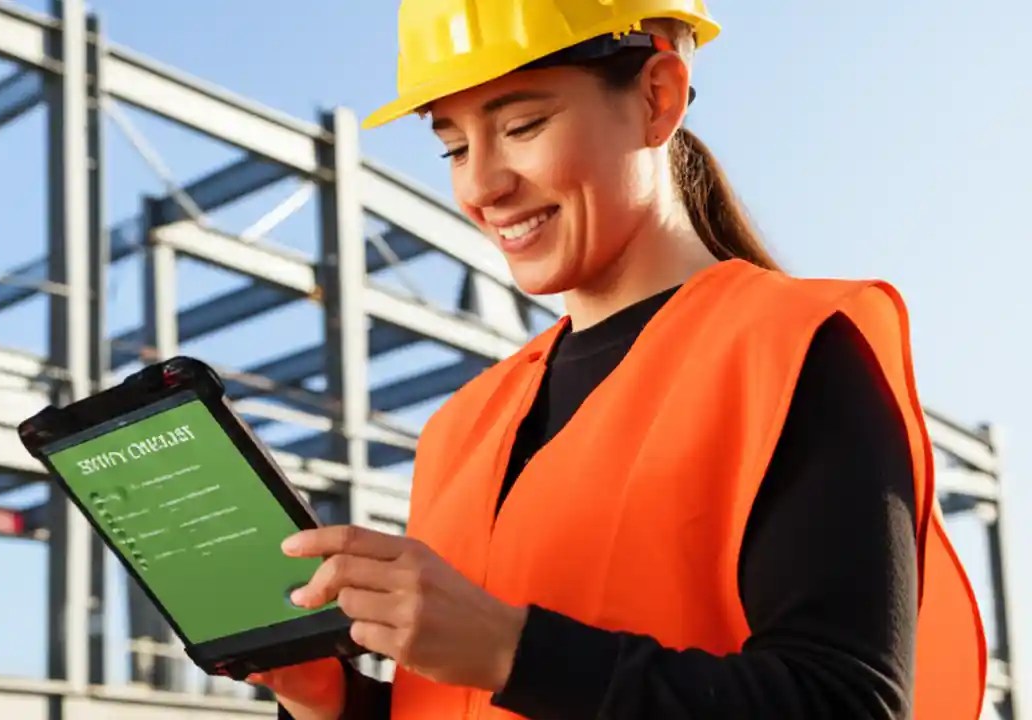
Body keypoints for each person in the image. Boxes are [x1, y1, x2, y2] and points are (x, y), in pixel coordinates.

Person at [240, 2, 988, 718]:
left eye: (524, 125)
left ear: (658, 98)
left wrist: (510, 649)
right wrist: (334, 703)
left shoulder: (791, 345)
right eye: (454, 146)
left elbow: (845, 702)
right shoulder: (459, 429)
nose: (480, 185)